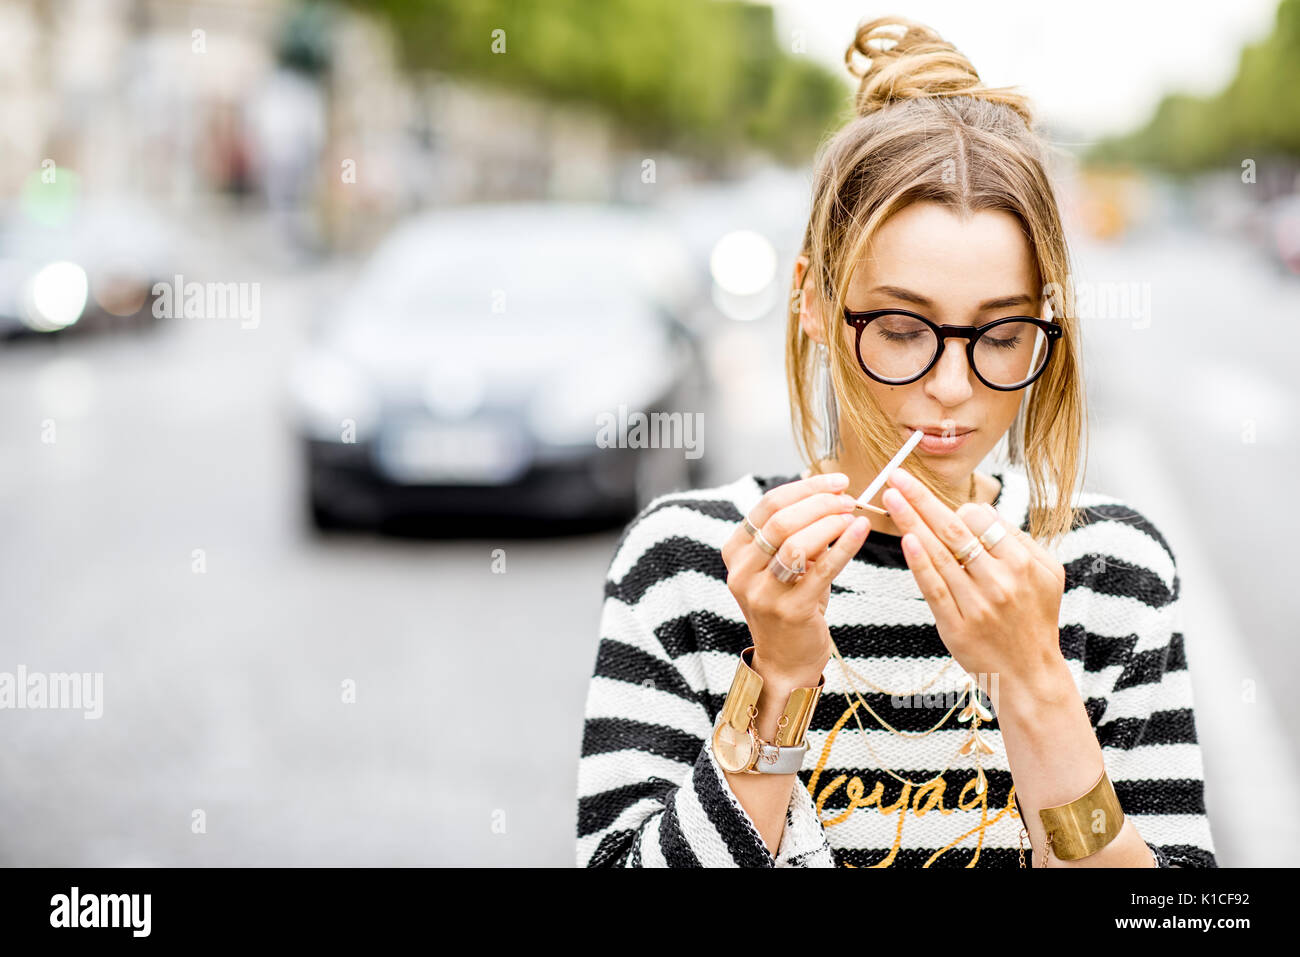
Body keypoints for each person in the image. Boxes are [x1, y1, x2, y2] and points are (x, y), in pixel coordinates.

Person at [575, 15, 1216, 868]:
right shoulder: (688, 564)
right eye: (903, 327)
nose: (952, 387)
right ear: (811, 299)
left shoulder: (1109, 571)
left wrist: (1035, 681)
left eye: (1000, 335)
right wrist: (776, 682)